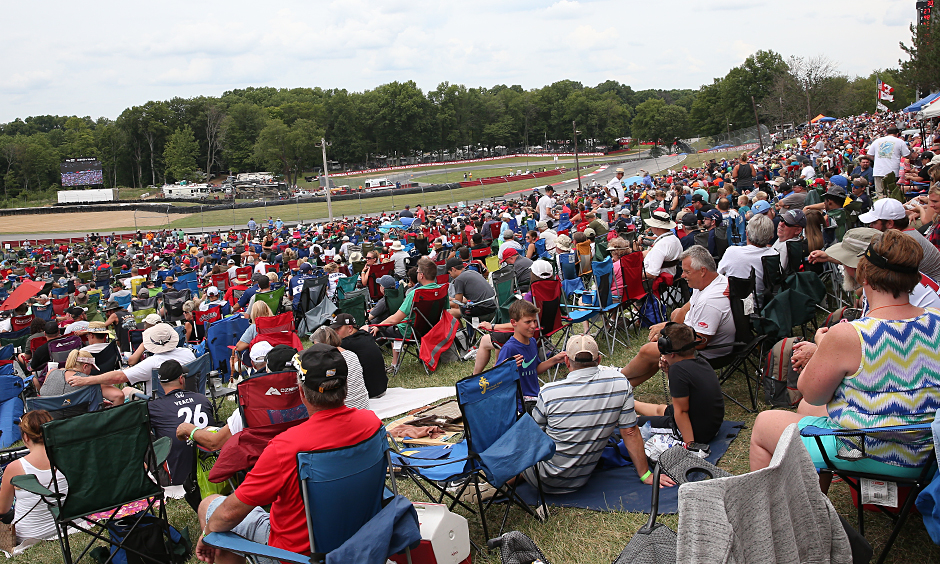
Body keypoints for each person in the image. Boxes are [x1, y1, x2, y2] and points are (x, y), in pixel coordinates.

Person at [750, 229, 940, 481]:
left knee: (764, 424)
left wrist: (822, 346)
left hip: (869, 452)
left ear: (864, 275)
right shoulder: (936, 320)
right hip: (928, 451)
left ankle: (775, 516)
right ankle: (815, 503)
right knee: (809, 413)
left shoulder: (850, 334)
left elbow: (814, 394)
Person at [195, 344, 382, 564]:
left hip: (296, 557)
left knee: (209, 505)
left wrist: (208, 533)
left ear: (301, 393)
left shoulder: (285, 447)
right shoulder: (372, 424)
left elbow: (228, 515)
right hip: (359, 543)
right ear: (346, 388)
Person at [522, 335, 676, 495]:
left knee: (514, 433)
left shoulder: (548, 392)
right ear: (599, 360)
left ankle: (501, 485)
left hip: (542, 480)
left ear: (567, 361)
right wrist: (646, 475)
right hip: (579, 479)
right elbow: (630, 431)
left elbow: (532, 438)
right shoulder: (621, 384)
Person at [621, 245, 735, 387]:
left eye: (687, 271)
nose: (682, 275)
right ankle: (625, 386)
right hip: (704, 340)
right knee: (676, 313)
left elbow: (701, 342)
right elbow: (685, 309)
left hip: (710, 353)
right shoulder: (712, 282)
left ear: (703, 271)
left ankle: (618, 378)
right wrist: (668, 331)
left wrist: (668, 336)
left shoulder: (710, 302)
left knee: (649, 350)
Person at [634, 322, 725, 444]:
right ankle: (629, 402)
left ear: (667, 350)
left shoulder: (678, 370)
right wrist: (668, 371)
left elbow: (681, 412)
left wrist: (690, 445)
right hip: (710, 426)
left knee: (632, 423)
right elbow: (680, 393)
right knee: (662, 410)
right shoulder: (701, 362)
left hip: (695, 433)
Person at [67, 323, 195, 399]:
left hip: (160, 403)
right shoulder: (188, 353)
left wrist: (87, 380)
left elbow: (118, 378)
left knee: (125, 391)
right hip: (191, 397)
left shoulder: (152, 363)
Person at [0, 410, 68, 547]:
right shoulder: (70, 458)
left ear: (25, 437)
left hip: (28, 534)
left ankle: (7, 547)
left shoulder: (15, 468)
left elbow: (3, 509)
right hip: (72, 526)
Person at [149, 360, 215, 486]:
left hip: (179, 478)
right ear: (181, 379)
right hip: (212, 469)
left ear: (160, 383)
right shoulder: (202, 398)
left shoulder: (153, 407)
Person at [370, 257, 441, 366]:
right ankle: (394, 363)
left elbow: (395, 319)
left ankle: (392, 364)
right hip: (431, 329)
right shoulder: (441, 290)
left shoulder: (415, 294)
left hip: (410, 332)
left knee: (370, 330)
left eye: (417, 271)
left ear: (421, 275)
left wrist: (379, 325)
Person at [493, 300, 566, 407]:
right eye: (528, 322)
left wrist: (554, 360)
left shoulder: (532, 342)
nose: (533, 326)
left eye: (535, 321)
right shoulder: (509, 348)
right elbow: (496, 379)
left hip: (536, 397)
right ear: (514, 323)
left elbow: (535, 369)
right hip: (520, 403)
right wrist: (506, 367)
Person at [859, 197, 940, 282]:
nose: (871, 226)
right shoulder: (906, 234)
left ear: (890, 223)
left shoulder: (902, 242)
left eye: (874, 222)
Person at [716, 213, 778, 295]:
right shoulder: (774, 254)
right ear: (771, 237)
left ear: (746, 233)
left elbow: (718, 275)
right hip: (762, 303)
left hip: (733, 304)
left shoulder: (731, 252)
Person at [311, 326, 370, 410]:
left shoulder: (328, 360)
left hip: (345, 408)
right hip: (363, 406)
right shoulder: (351, 354)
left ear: (323, 343)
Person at [331, 314, 387, 398]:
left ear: (350, 328)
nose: (335, 333)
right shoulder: (365, 335)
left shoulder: (345, 344)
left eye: (338, 329)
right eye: (333, 329)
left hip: (368, 393)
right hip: (382, 388)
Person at [866, 125, 911, 197]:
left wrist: (877, 160)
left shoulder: (877, 141)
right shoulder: (900, 141)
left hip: (879, 170)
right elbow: (907, 155)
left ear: (887, 133)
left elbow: (869, 155)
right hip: (892, 171)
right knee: (890, 193)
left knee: (880, 193)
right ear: (897, 134)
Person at [640, 210, 683, 278]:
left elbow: (652, 274)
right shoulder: (675, 239)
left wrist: (634, 275)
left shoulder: (661, 244)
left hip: (657, 281)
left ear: (657, 227)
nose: (650, 228)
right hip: (671, 275)